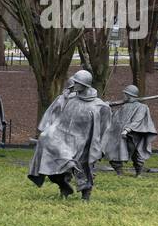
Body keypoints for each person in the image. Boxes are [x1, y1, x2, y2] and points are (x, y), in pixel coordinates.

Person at [27, 69, 111, 200]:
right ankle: (64, 186)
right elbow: (57, 115)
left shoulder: (98, 106)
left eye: (77, 82)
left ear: (85, 85)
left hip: (82, 143)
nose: (73, 84)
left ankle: (85, 194)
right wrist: (63, 98)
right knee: (47, 147)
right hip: (63, 137)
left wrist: (100, 149)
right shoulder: (70, 98)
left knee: (81, 166)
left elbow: (106, 130)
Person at [104, 84, 157, 176]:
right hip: (118, 135)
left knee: (137, 154)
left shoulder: (142, 107)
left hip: (133, 135)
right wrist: (107, 107)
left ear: (128, 95)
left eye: (124, 94)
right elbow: (115, 119)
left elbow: (138, 119)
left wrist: (127, 129)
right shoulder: (123, 106)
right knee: (112, 150)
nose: (123, 96)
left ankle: (138, 173)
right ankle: (119, 172)